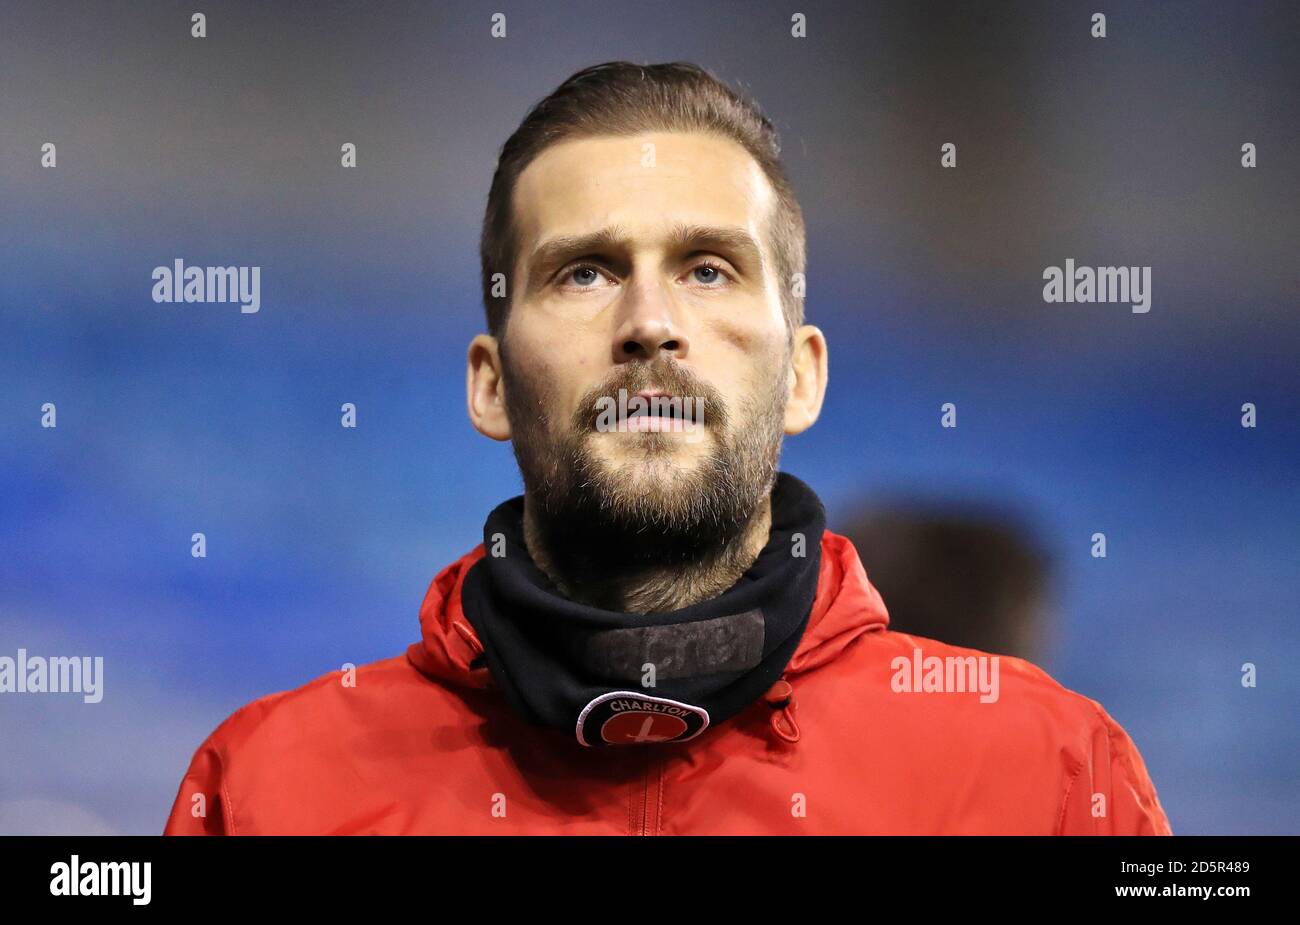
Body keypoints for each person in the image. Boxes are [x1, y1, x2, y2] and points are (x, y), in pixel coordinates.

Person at [164, 61, 1171, 835]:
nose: (649, 322)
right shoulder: (271, 788)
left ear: (802, 376)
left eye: (706, 269)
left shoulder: (1047, 775)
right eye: (585, 273)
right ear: (489, 383)